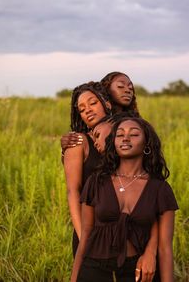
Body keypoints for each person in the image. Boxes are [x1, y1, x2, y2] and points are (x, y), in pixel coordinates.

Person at [72, 117, 179, 282]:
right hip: (94, 268)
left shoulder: (160, 189)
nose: (125, 138)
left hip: (136, 271)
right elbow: (86, 234)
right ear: (113, 143)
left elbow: (165, 248)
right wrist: (74, 278)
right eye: (120, 135)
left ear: (147, 145)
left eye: (134, 134)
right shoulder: (96, 182)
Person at [63, 81, 111, 257]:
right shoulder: (78, 142)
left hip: (121, 226)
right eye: (82, 109)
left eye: (93, 103)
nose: (88, 110)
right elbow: (72, 191)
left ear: (106, 102)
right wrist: (83, 236)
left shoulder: (123, 137)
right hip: (91, 226)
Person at [61, 72, 139, 152]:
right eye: (120, 86)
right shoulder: (93, 125)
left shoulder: (135, 122)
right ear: (106, 89)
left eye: (130, 88)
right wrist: (67, 147)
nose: (127, 90)